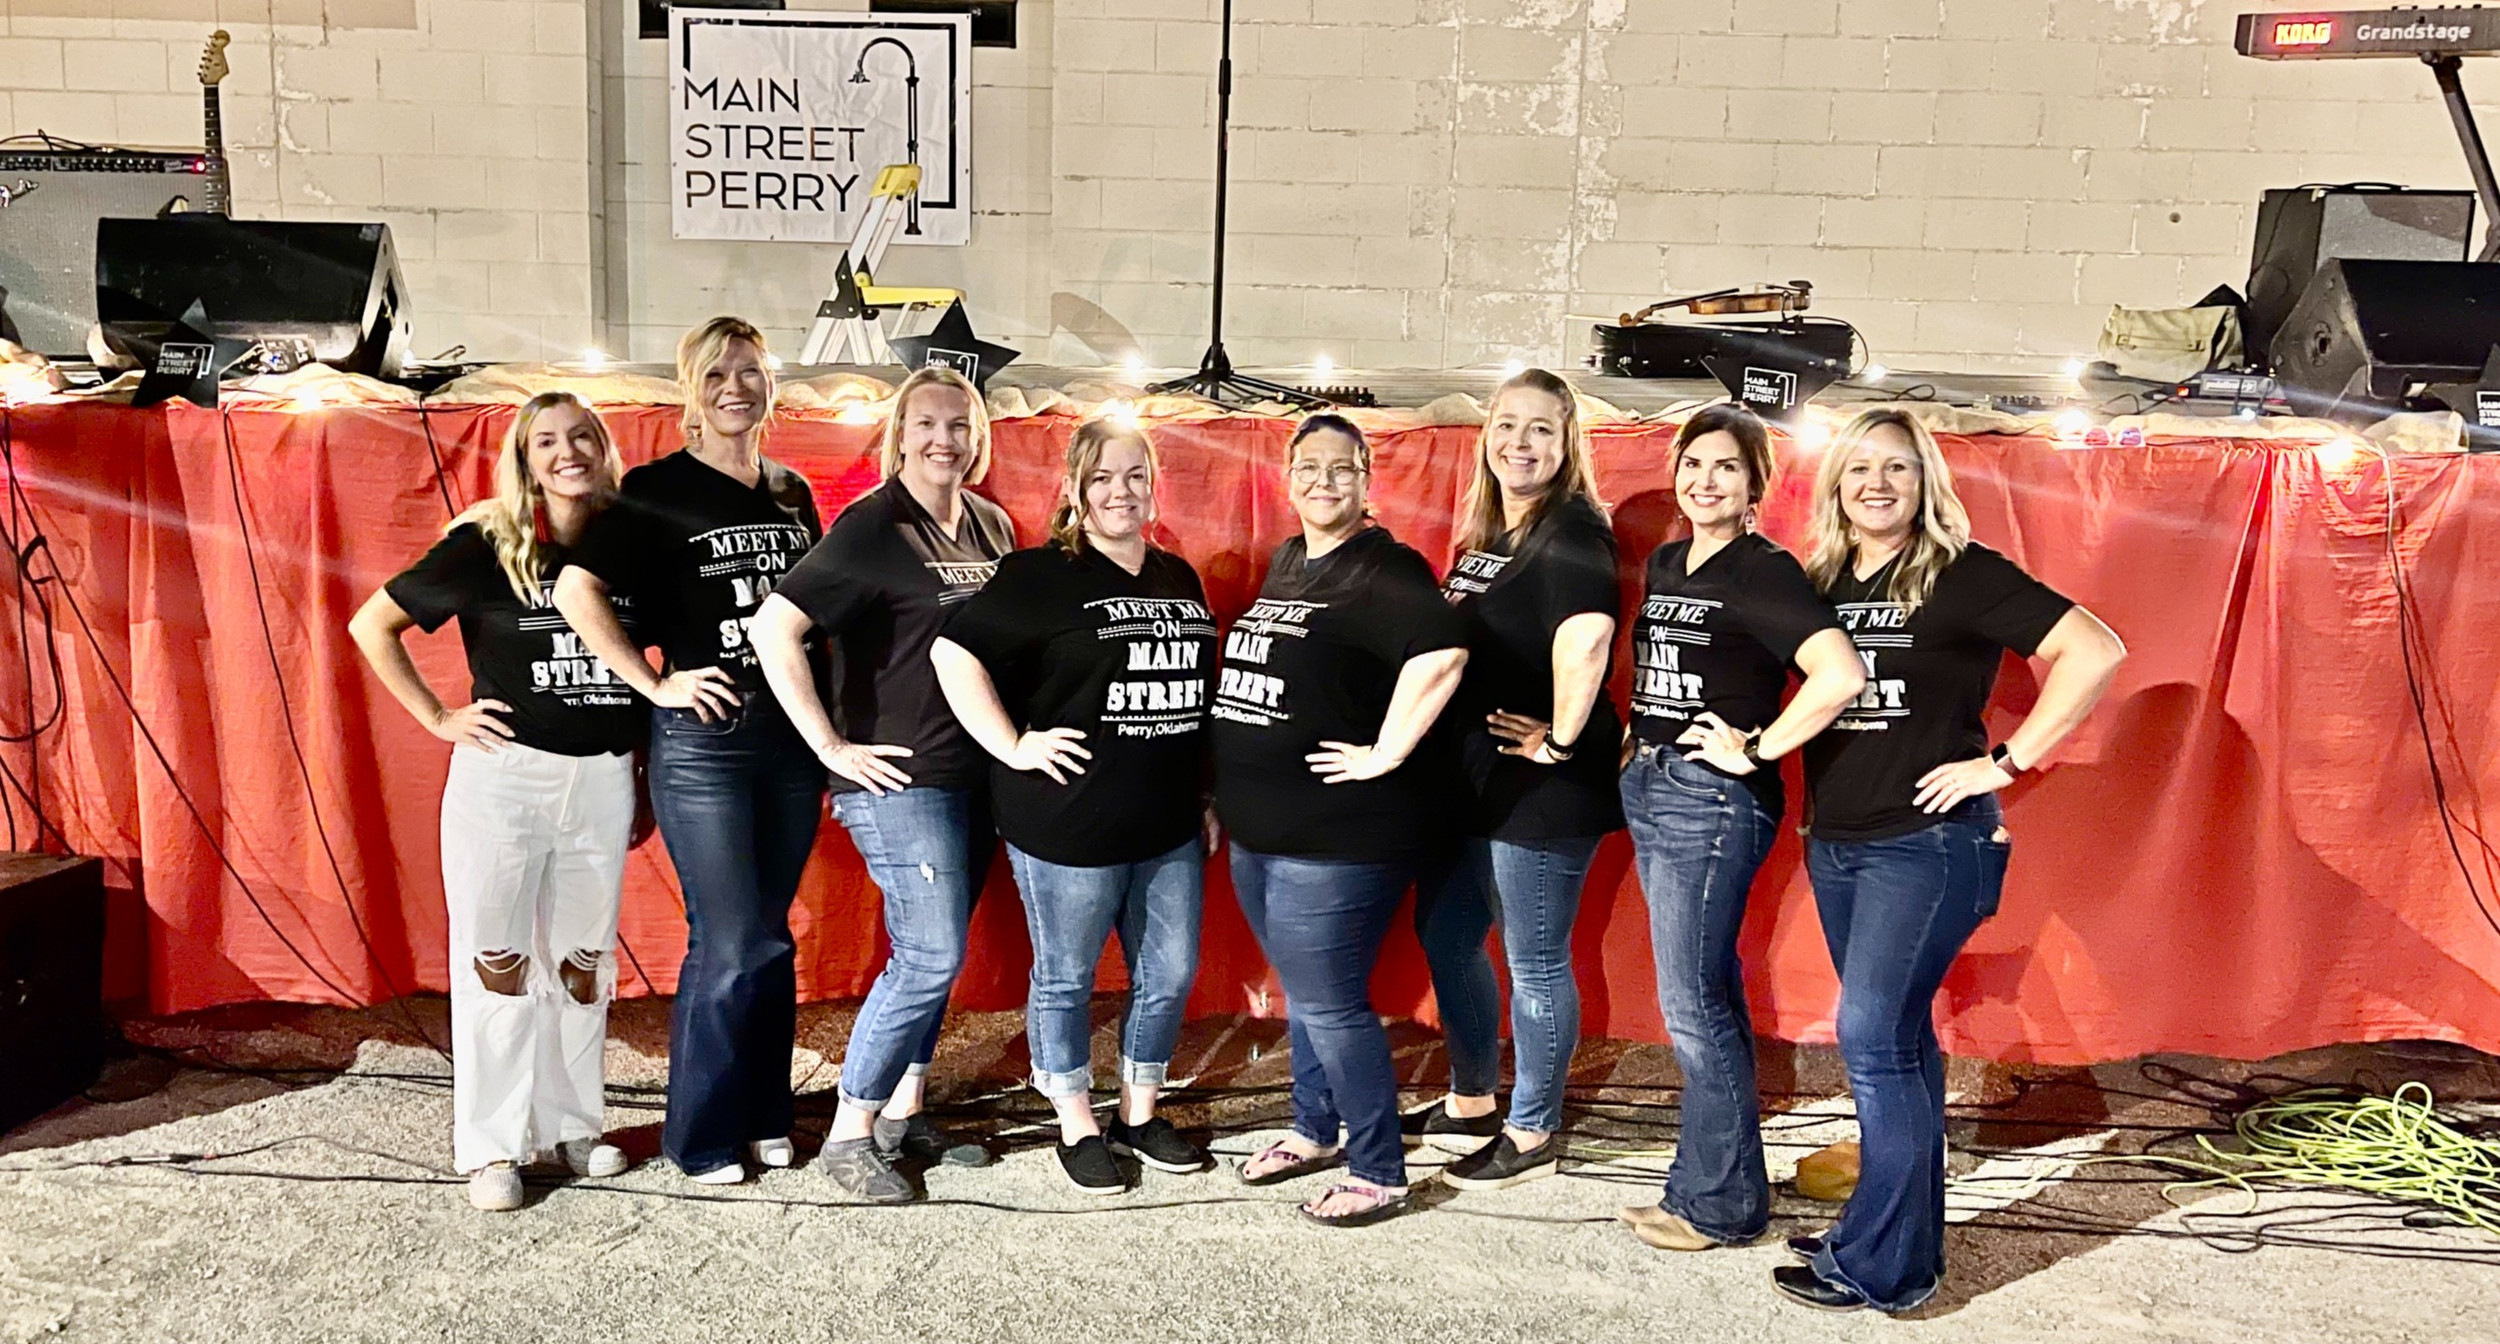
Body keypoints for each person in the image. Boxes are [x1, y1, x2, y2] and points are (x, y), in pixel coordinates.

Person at [1768, 409, 2125, 1313]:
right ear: (1836, 487)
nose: (1876, 485)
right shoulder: (1822, 582)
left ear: (1926, 481)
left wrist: (2004, 763)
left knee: (1872, 1039)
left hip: (1925, 846)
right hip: (1841, 845)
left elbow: (2094, 648)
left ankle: (1884, 1266)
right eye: (1858, 471)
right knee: (1899, 1045)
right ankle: (1893, 1238)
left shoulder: (1961, 576)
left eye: (1896, 468)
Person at [348, 392, 645, 1212]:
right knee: (499, 964)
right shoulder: (487, 543)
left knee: (584, 964)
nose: (566, 451)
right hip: (505, 779)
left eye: (581, 435)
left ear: (603, 446)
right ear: (523, 459)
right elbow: (372, 625)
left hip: (603, 776)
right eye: (545, 440)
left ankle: (574, 1124)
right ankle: (493, 1146)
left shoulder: (630, 541)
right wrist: (438, 717)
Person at [552, 317, 827, 1187]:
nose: (736, 387)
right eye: (717, 374)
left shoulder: (790, 491)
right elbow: (575, 589)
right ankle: (699, 1132)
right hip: (706, 743)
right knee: (732, 934)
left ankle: (764, 1112)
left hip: (789, 738)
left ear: (770, 387)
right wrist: (653, 681)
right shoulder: (655, 489)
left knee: (770, 935)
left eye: (750, 370)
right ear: (690, 393)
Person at [930, 417, 1218, 1195]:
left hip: (1167, 824)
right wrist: (1012, 745)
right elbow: (953, 654)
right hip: (1067, 822)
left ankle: (1138, 1111)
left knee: (1170, 969)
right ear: (1074, 491)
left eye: (1133, 476)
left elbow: (1190, 696)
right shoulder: (1039, 575)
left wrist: (1204, 793)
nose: (1119, 492)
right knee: (1066, 977)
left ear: (1153, 485)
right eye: (1102, 478)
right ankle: (1074, 1119)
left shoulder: (1177, 577)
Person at [750, 364, 1015, 1203]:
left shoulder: (991, 524)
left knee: (939, 952)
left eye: (960, 425)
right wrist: (829, 744)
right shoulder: (872, 527)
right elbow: (773, 629)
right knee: (929, 953)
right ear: (901, 433)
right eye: (928, 424)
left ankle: (904, 1112)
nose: (944, 440)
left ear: (978, 439)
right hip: (901, 779)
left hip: (974, 775)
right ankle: (848, 1132)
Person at [1610, 404, 1866, 1252]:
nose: (1703, 481)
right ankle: (1709, 1187)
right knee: (1700, 997)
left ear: (1757, 485)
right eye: (1693, 463)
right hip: (1652, 786)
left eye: (1725, 467)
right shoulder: (1671, 559)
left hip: (1709, 804)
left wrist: (1757, 748)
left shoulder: (1765, 570)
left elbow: (1838, 675)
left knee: (1695, 1008)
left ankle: (1717, 1208)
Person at [1215, 414, 1469, 1228]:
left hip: (1340, 837)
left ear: (1368, 480)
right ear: (1287, 478)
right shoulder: (1293, 558)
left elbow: (1443, 653)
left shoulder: (1386, 566)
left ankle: (1378, 1167)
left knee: (1330, 1002)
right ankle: (1314, 1129)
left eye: (1342, 469)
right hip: (1263, 832)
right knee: (1306, 992)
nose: (1323, 482)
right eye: (1309, 467)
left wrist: (1385, 752)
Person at [1410, 367, 1625, 1189]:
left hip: (1540, 792)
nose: (1519, 444)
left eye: (1540, 428)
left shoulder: (1570, 531)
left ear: (1568, 442)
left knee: (1534, 961)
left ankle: (1533, 1128)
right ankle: (1472, 1097)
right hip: (1476, 783)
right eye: (1506, 425)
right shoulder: (1494, 534)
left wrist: (1562, 743)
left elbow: (1588, 639)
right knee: (1451, 934)